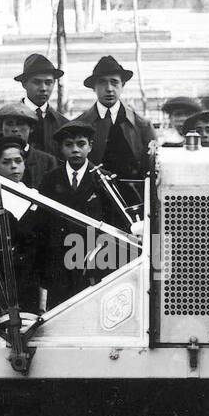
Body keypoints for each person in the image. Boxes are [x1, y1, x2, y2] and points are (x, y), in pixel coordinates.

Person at [38, 121, 129, 304]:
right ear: (61, 149)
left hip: (93, 261)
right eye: (69, 145)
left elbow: (117, 224)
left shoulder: (103, 179)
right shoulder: (50, 180)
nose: (75, 150)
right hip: (60, 262)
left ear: (90, 146)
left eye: (81, 144)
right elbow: (43, 224)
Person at [0, 134, 48, 331]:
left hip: (27, 281)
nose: (14, 167)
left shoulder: (34, 198)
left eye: (18, 161)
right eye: (6, 162)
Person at [70, 55, 154, 204]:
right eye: (102, 82)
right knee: (91, 229)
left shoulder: (142, 126)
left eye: (114, 82)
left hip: (134, 205)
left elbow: (152, 170)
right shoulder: (78, 125)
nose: (109, 89)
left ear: (123, 85)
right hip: (92, 205)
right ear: (94, 87)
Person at [0, 103, 58, 187]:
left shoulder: (47, 161)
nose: (15, 129)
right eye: (9, 124)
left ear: (31, 128)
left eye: (20, 123)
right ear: (1, 129)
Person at [13, 53, 68, 158]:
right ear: (24, 84)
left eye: (48, 83)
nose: (43, 88)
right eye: (37, 82)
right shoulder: (7, 121)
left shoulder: (62, 124)